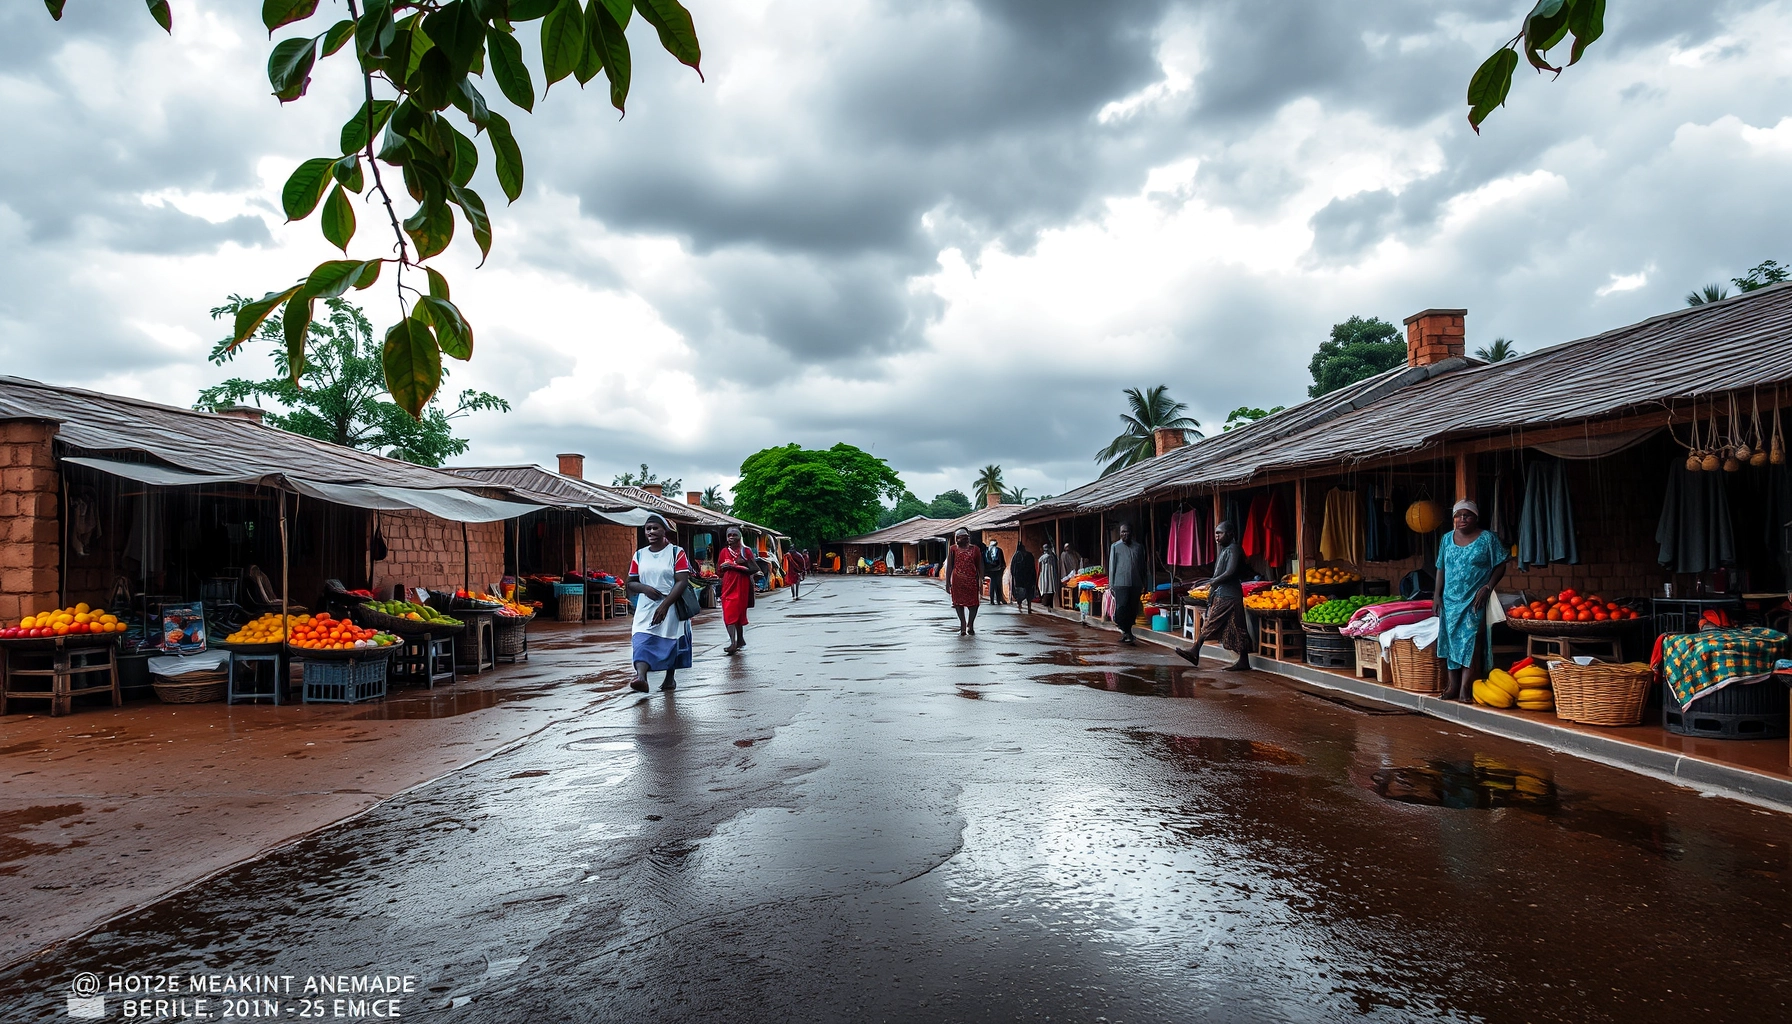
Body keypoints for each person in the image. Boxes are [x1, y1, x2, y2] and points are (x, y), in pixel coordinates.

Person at [1434, 499, 1508, 702]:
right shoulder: (1446, 539)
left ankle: (1465, 688)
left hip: (1474, 600)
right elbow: (1441, 568)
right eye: (1458, 515)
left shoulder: (1487, 539)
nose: (1462, 519)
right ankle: (1452, 686)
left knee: (1470, 642)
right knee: (1450, 643)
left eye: (1467, 515)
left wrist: (1488, 587)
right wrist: (1436, 596)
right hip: (1449, 601)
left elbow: (1501, 564)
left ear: (1476, 518)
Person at [626, 513, 694, 692]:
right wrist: (645, 588)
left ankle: (669, 678)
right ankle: (641, 677)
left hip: (671, 604)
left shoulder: (676, 552)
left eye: (655, 528)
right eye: (648, 529)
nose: (651, 531)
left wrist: (665, 606)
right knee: (640, 639)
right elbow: (631, 581)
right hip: (645, 606)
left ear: (665, 531)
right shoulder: (639, 555)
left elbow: (682, 581)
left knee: (669, 642)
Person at [1178, 520, 1251, 671]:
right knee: (1238, 628)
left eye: (1220, 533)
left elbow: (1230, 572)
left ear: (1230, 534)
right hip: (1225, 593)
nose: (1216, 537)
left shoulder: (1233, 549)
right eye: (1216, 534)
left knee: (1211, 621)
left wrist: (1211, 583)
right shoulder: (1225, 550)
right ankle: (1244, 661)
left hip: (1228, 595)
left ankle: (1195, 650)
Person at [717, 526, 756, 655]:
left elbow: (754, 569)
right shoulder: (723, 552)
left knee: (737, 613)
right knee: (729, 613)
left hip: (742, 586)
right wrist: (725, 567)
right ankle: (735, 642)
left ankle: (738, 641)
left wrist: (736, 566)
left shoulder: (746, 551)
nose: (731, 538)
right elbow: (719, 571)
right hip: (728, 586)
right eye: (729, 535)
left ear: (740, 537)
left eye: (734, 535)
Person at [1107, 522, 1147, 644]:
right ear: (1120, 533)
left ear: (1131, 533)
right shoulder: (1115, 547)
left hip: (1135, 583)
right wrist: (1111, 584)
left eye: (1127, 531)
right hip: (1120, 583)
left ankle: (1127, 632)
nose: (1125, 534)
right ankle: (1125, 630)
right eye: (1122, 532)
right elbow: (1112, 566)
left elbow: (1142, 567)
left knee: (1132, 609)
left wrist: (1144, 583)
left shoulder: (1138, 547)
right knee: (1121, 608)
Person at [945, 528, 983, 635]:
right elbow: (949, 567)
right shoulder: (953, 549)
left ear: (967, 538)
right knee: (958, 603)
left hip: (972, 581)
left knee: (974, 604)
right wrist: (948, 583)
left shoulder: (975, 549)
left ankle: (970, 624)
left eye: (960, 537)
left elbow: (979, 565)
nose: (958, 540)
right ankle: (962, 624)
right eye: (956, 538)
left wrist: (981, 579)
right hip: (958, 582)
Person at [1010, 539, 1037, 613]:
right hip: (1029, 577)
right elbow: (1033, 567)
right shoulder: (1029, 555)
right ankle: (1029, 607)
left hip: (1020, 578)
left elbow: (1013, 568)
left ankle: (1020, 604)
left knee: (1019, 593)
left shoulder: (1016, 556)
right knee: (1029, 592)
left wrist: (1014, 577)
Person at [982, 537, 1007, 605]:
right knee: (996, 585)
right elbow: (1001, 562)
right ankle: (996, 600)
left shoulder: (988, 550)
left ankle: (994, 600)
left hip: (994, 570)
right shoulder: (994, 550)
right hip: (996, 570)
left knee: (994, 584)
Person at [1036, 541, 1058, 609]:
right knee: (1051, 587)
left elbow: (1039, 568)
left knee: (1045, 587)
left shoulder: (1042, 558)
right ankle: (1049, 604)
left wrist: (1037, 577)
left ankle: (1046, 603)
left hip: (1044, 576)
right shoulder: (1053, 557)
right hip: (1052, 576)